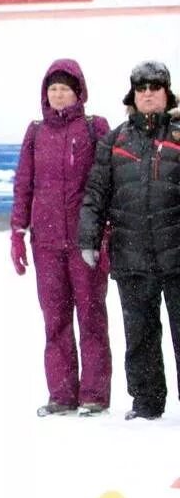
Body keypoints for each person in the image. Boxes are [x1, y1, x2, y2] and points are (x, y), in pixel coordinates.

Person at [78, 60, 180, 421]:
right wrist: (88, 238)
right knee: (140, 335)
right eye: (141, 88)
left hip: (177, 255)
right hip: (132, 255)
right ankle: (147, 402)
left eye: (155, 87)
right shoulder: (116, 139)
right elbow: (95, 193)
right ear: (133, 96)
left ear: (167, 93)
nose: (148, 93)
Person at [10, 60, 112, 418]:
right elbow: (24, 184)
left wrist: (106, 233)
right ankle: (62, 394)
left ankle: (94, 394)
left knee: (91, 316)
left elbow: (107, 183)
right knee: (54, 319)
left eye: (65, 88)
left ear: (78, 92)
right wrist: (18, 233)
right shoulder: (36, 132)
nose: (58, 94)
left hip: (86, 241)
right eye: (52, 88)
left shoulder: (93, 128)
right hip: (47, 243)